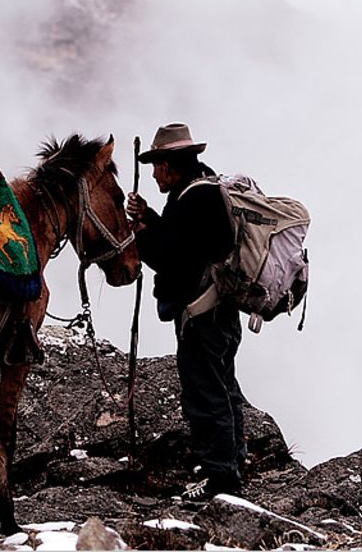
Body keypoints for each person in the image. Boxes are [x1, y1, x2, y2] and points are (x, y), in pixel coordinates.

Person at [126, 123, 247, 499]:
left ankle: (220, 479)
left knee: (205, 394)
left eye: (156, 164)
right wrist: (150, 218)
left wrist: (140, 234)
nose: (153, 172)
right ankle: (231, 464)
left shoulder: (192, 200)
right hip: (220, 311)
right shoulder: (201, 190)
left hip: (202, 316)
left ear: (169, 163)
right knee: (224, 390)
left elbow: (170, 257)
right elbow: (185, 243)